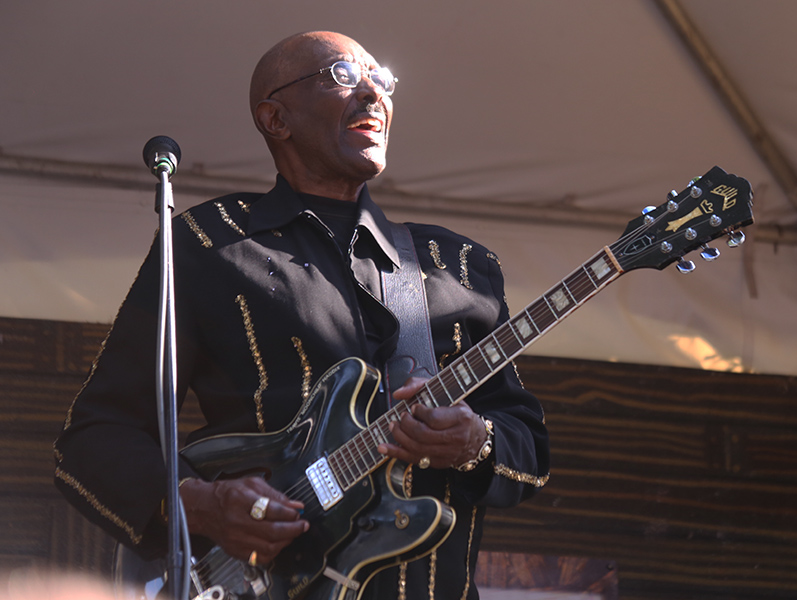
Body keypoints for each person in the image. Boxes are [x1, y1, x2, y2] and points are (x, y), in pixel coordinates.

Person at [54, 31, 549, 600]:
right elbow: (95, 439)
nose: (373, 94)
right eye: (344, 75)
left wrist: (477, 440)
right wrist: (205, 506)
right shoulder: (209, 244)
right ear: (275, 118)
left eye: (382, 79)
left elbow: (528, 450)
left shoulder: (458, 266)